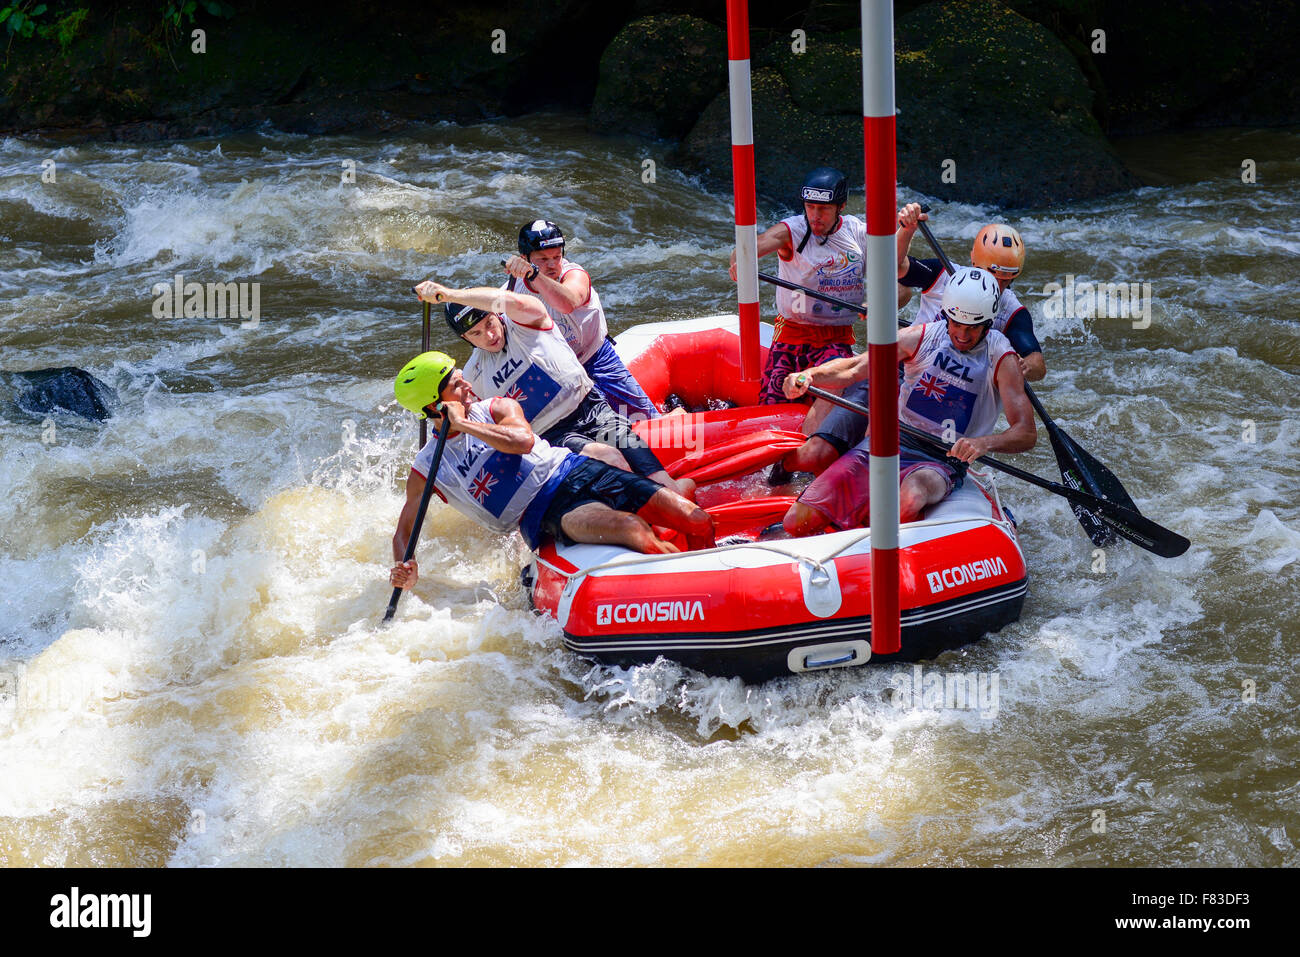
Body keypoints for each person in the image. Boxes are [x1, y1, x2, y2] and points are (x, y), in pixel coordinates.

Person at [388, 352, 715, 591]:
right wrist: (406, 565)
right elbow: (405, 531)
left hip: (578, 469)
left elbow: (523, 442)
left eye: (462, 376)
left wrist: (465, 425)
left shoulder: (496, 407)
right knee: (633, 530)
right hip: (546, 511)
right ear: (434, 406)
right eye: (456, 385)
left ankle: (712, 576)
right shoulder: (427, 467)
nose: (469, 385)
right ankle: (696, 592)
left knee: (696, 520)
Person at [782, 207, 1048, 476]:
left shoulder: (1011, 310)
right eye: (991, 275)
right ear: (973, 263)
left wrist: (1023, 366)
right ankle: (788, 467)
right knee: (817, 455)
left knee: (870, 461)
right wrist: (906, 230)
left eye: (1006, 279)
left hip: (933, 397)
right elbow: (894, 267)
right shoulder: (944, 273)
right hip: (896, 369)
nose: (997, 287)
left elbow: (1036, 360)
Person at [778, 267, 1037, 536]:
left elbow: (1026, 432)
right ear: (946, 314)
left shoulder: (1002, 358)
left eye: (972, 328)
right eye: (956, 324)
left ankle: (873, 542)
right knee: (795, 521)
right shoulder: (922, 337)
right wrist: (809, 375)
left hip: (942, 459)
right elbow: (855, 368)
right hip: (892, 442)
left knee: (912, 495)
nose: (962, 334)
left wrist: (984, 443)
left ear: (987, 324)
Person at [411, 279, 691, 498]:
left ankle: (674, 495)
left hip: (592, 409)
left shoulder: (527, 320)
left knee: (662, 482)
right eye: (476, 334)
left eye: (490, 323)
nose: (490, 335)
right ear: (465, 338)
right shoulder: (474, 373)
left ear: (497, 315)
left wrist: (449, 295)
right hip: (555, 436)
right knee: (609, 458)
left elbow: (506, 300)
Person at [502, 219, 659, 421]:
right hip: (560, 374)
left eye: (556, 257)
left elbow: (567, 302)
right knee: (603, 430)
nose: (551, 265)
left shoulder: (574, 274)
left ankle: (674, 410)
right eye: (542, 259)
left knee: (649, 420)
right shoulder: (512, 289)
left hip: (596, 358)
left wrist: (535, 273)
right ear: (525, 258)